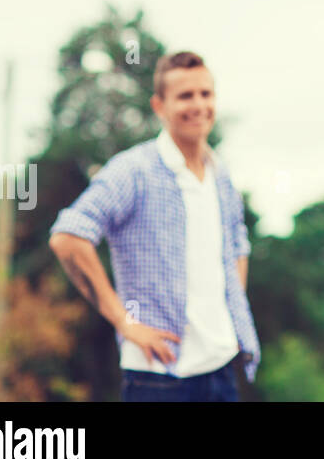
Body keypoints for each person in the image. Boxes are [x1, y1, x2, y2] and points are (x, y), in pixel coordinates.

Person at [49, 51, 259, 402]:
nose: (198, 104)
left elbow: (238, 246)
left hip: (221, 368)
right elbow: (68, 237)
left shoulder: (221, 175)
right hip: (158, 377)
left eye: (205, 94)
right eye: (185, 96)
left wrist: (228, 319)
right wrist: (124, 321)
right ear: (159, 106)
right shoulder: (134, 170)